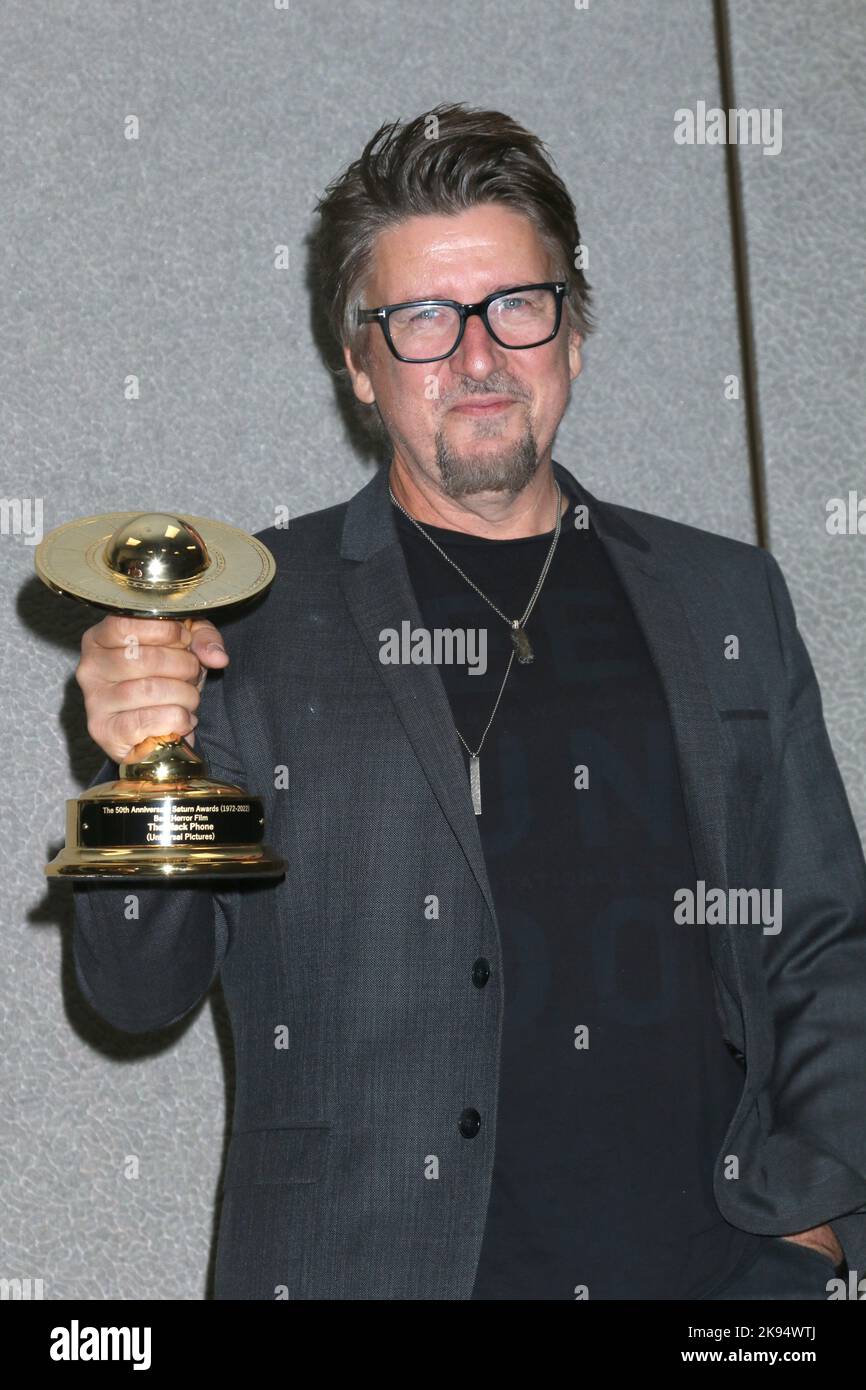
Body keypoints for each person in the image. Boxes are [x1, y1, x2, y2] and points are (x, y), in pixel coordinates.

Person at [71, 103, 866, 1300]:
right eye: (423, 321)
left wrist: (816, 1231)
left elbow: (820, 943)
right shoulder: (239, 623)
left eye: (515, 305)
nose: (478, 356)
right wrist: (133, 767)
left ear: (573, 331)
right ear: (358, 361)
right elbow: (135, 994)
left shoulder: (726, 596)